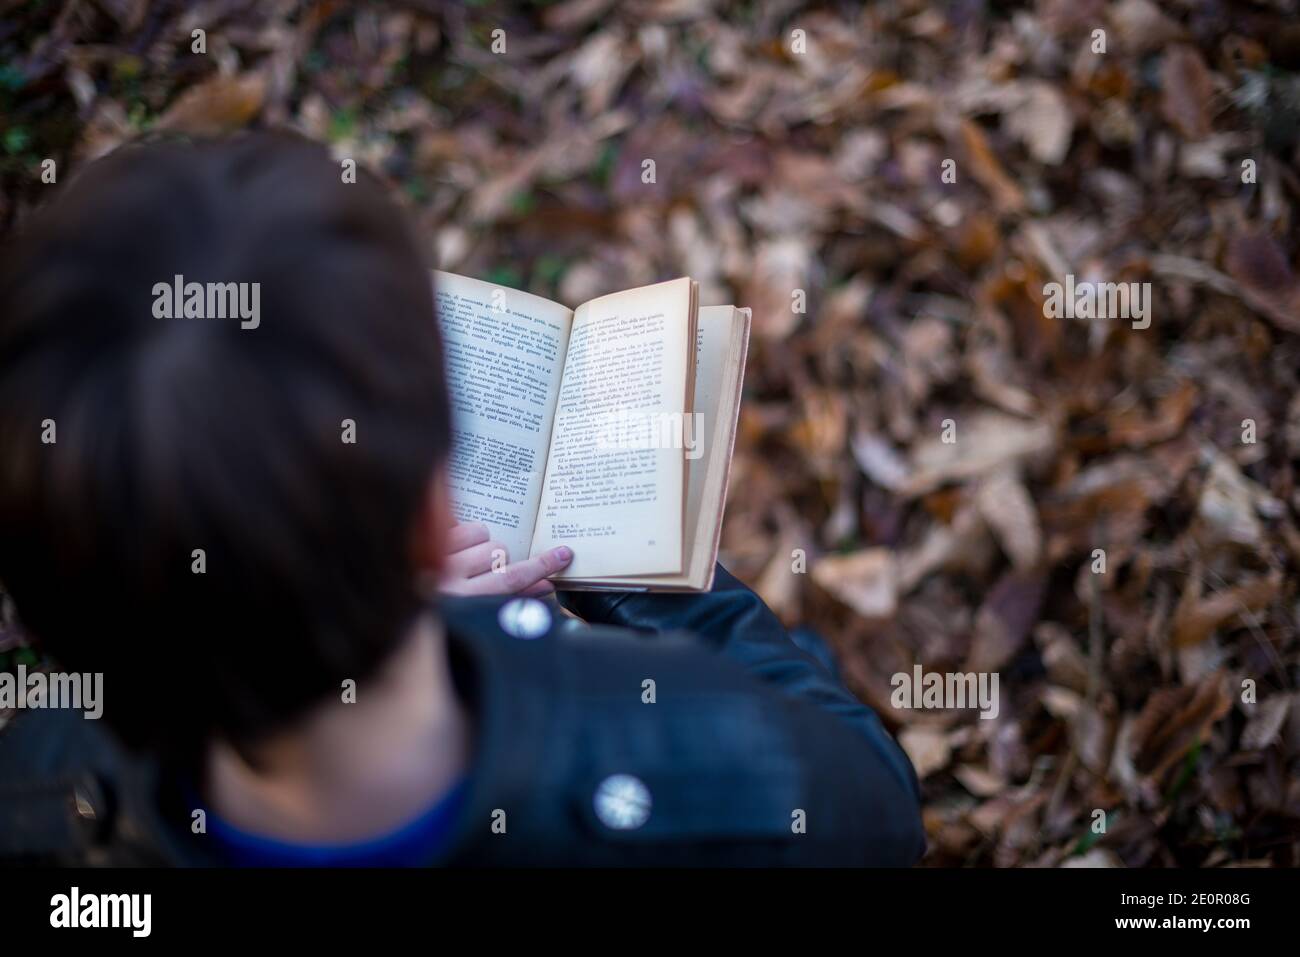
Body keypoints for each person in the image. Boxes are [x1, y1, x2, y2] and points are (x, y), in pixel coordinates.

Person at [0, 133, 923, 866]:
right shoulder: (706, 773)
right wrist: (659, 573)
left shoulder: (35, 790)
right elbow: (874, 799)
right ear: (431, 515)